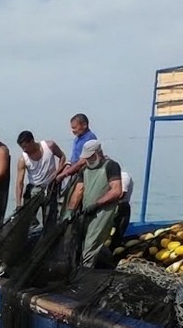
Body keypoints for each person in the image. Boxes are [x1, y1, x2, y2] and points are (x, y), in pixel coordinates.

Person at [62, 139, 123, 268]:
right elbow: (79, 190)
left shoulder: (111, 166)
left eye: (91, 157)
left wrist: (97, 204)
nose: (89, 160)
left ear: (98, 153)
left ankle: (85, 274)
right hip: (86, 212)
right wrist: (70, 212)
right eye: (86, 158)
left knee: (91, 244)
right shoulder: (85, 169)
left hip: (103, 212)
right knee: (79, 242)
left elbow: (117, 190)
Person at [14, 130, 67, 225]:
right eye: (22, 148)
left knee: (50, 218)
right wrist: (18, 203)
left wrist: (58, 172)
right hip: (34, 189)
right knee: (28, 219)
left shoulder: (49, 146)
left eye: (25, 147)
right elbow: (19, 182)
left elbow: (62, 156)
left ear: (32, 141)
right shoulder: (23, 159)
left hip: (51, 187)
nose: (24, 150)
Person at [56, 113, 99, 187]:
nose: (73, 130)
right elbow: (74, 157)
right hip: (75, 172)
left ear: (84, 125)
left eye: (75, 127)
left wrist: (65, 174)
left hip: (85, 174)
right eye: (72, 128)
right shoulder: (77, 139)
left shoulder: (89, 138)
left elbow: (82, 161)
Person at [108, 168, 135, 251]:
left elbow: (121, 194)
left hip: (120, 206)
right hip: (109, 206)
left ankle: (113, 249)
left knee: (117, 232)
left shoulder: (123, 176)